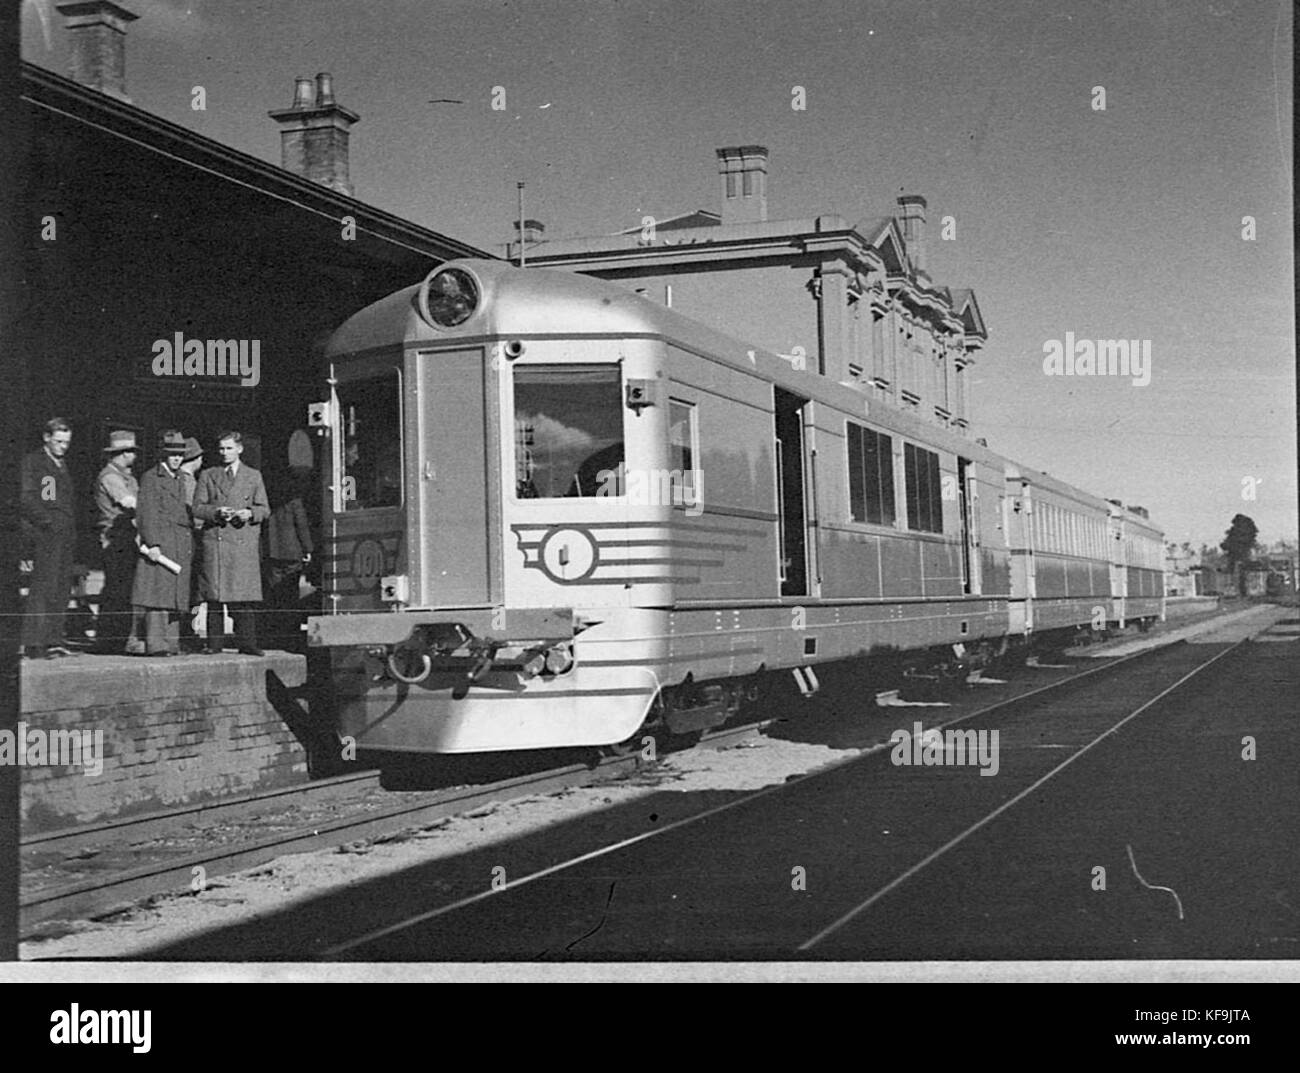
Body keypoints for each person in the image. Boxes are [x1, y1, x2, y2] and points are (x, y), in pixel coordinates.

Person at [192, 431, 269, 655]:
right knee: (214, 597)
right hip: (216, 542)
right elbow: (197, 508)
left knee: (243, 597)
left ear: (239, 449)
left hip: (242, 543)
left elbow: (264, 509)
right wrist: (216, 512)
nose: (224, 453)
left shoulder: (253, 476)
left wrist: (249, 513)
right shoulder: (208, 475)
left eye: (229, 448)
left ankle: (247, 643)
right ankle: (214, 644)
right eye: (221, 449)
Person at [19, 418, 81, 660]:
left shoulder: (62, 465)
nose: (63, 447)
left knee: (61, 587)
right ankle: (35, 643)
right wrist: (46, 522)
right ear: (46, 438)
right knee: (44, 587)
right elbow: (26, 498)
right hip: (46, 535)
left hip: (65, 535)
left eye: (67, 442)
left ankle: (54, 640)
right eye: (58, 441)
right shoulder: (34, 462)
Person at [132, 431, 195, 656]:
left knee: (175, 597)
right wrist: (153, 543)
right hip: (162, 544)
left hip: (179, 543)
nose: (177, 459)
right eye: (172, 455)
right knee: (158, 597)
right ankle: (156, 645)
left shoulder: (178, 479)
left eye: (180, 455)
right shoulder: (151, 477)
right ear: (163, 455)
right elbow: (146, 512)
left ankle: (172, 643)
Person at [93, 429, 143, 654]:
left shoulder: (128, 476)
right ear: (123, 453)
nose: (134, 455)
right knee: (117, 590)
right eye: (131, 451)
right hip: (116, 540)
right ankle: (109, 640)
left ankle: (117, 639)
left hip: (127, 540)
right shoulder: (111, 477)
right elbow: (129, 502)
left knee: (123, 591)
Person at [261, 467, 314, 651]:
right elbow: (302, 526)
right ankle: (290, 633)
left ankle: (276, 633)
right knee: (290, 594)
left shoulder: (268, 500)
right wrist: (308, 549)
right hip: (292, 553)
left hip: (272, 553)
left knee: (274, 594)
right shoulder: (295, 502)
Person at [178, 437, 206, 653]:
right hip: (192, 540)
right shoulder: (189, 483)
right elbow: (194, 514)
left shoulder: (180, 480)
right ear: (196, 458)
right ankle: (186, 632)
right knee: (191, 588)